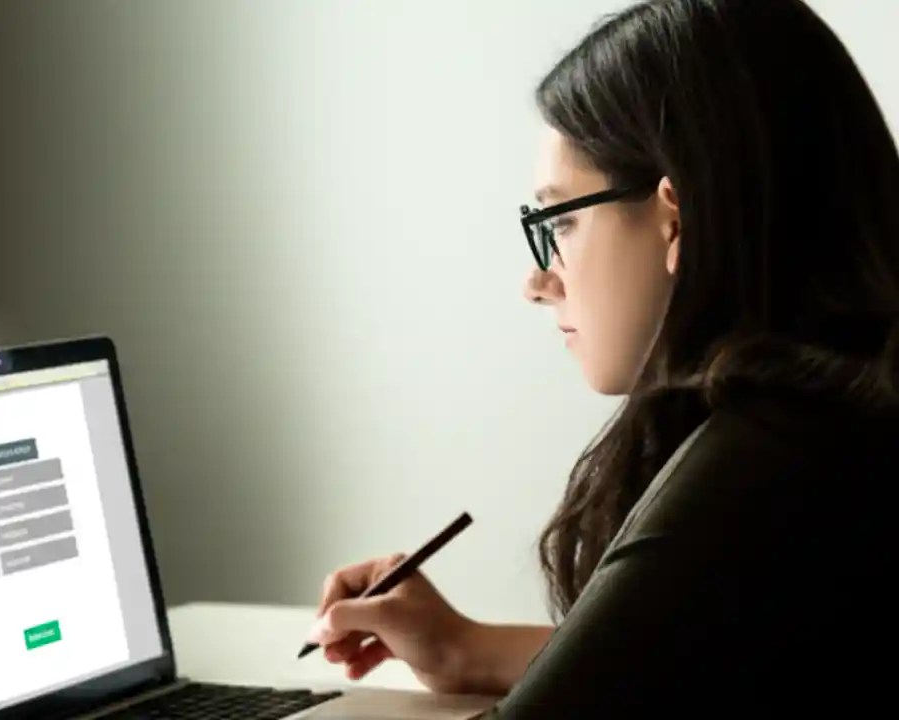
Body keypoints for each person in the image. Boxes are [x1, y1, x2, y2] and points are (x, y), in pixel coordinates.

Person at [307, 0, 899, 715]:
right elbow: (700, 669)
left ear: (674, 218)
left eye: (563, 221)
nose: (538, 281)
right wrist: (462, 648)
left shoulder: (769, 458)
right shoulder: (842, 416)